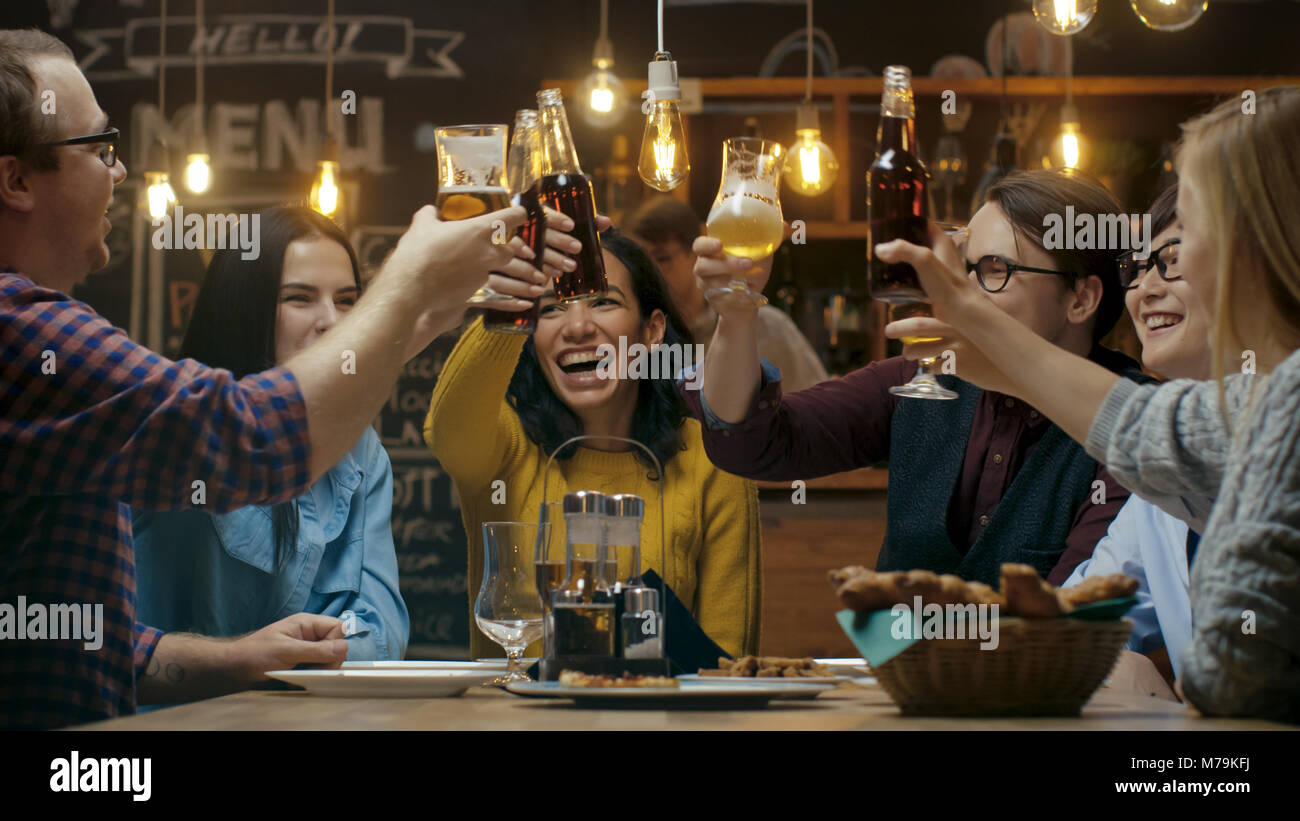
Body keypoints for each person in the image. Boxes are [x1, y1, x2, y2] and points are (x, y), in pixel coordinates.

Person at [0, 29, 554, 727]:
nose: (120, 172)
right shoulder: (19, 328)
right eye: (100, 147)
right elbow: (246, 436)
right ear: (17, 180)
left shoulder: (43, 337)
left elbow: (98, 644)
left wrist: (240, 658)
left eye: (347, 298)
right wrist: (410, 278)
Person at [881, 87, 1300, 723]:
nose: (1155, 279)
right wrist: (890, 644)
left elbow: (1241, 678)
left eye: (1186, 239)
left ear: (1259, 237)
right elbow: (1146, 433)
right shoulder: (1227, 411)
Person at [685, 169, 1149, 588]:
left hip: (1038, 683)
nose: (958, 294)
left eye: (993, 271)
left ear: (1081, 300)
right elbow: (752, 443)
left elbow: (1075, 621)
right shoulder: (923, 377)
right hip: (900, 677)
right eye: (960, 268)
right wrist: (738, 314)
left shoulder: (1138, 428)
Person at [426, 230, 761, 658]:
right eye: (550, 308)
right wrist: (516, 289)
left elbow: (727, 663)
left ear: (652, 332)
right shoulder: (506, 450)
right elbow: (447, 426)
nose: (579, 326)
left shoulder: (711, 457)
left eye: (604, 301)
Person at [132, 207, 408, 661]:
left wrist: (291, 657)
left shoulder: (360, 447)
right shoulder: (179, 425)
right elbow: (122, 638)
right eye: (299, 298)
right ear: (243, 310)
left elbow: (382, 633)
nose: (333, 323)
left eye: (346, 301)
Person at [1064, 184, 1206, 687]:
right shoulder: (1155, 491)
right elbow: (1078, 624)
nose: (1144, 290)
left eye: (1171, 259)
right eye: (1137, 269)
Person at [626, 196, 829, 393]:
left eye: (662, 259)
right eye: (641, 262)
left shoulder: (769, 327)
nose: (650, 272)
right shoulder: (632, 336)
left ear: (696, 252)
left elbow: (820, 408)